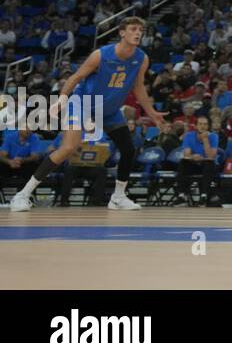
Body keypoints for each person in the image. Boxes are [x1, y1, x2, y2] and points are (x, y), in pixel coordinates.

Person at [8, 17, 165, 213]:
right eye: (133, 29)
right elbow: (76, 77)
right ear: (122, 33)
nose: (138, 32)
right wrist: (62, 98)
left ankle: (118, 197)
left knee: (128, 149)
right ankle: (22, 195)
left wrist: (152, 113)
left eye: (141, 29)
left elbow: (139, 87)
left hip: (108, 110)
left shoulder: (142, 58)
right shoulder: (101, 55)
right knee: (68, 147)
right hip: (82, 103)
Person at [178, 115, 222, 206]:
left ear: (208, 126)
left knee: (209, 163)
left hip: (208, 165)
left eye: (205, 124)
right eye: (200, 124)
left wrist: (205, 139)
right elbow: (186, 154)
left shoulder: (214, 136)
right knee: (183, 162)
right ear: (196, 126)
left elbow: (211, 156)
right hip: (193, 163)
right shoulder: (189, 136)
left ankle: (204, 196)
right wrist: (193, 156)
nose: (203, 126)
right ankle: (181, 196)